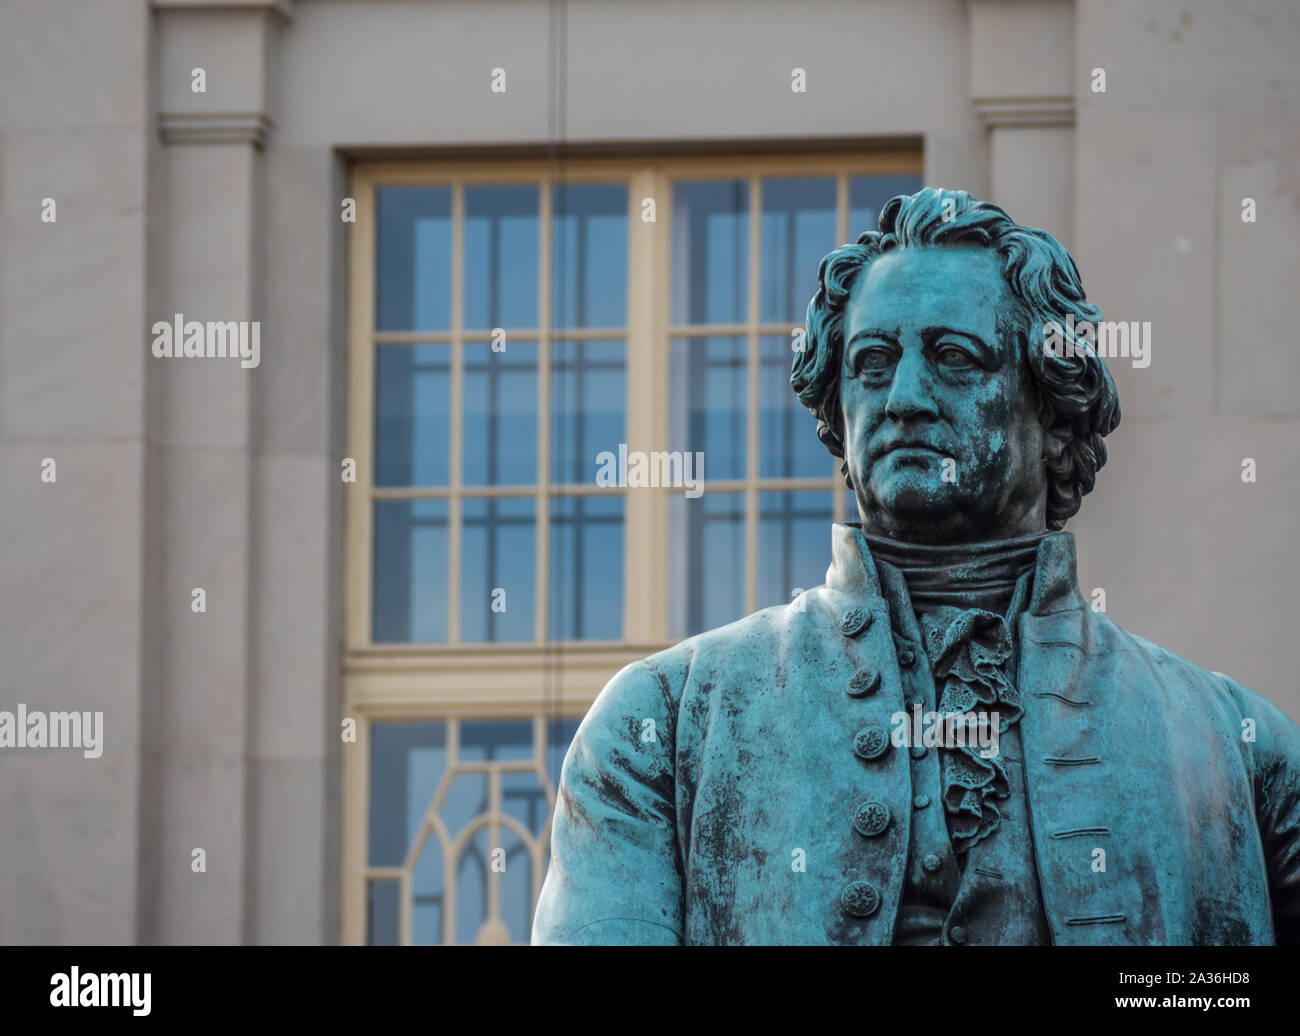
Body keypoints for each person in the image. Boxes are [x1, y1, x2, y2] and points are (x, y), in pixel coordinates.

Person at [531, 188, 1300, 945]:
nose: (903, 398)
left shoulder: (1243, 753)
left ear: (1054, 414)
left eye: (954, 358)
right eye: (871, 363)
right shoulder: (660, 726)